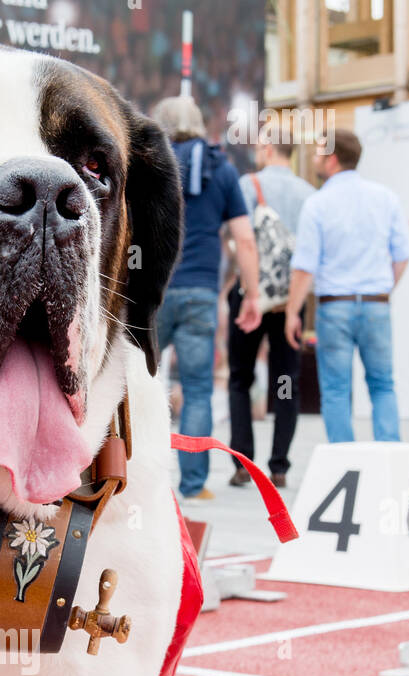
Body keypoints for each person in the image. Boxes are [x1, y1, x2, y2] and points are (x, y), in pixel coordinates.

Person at [153, 96, 261, 501]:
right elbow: (245, 241)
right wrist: (252, 294)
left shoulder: (150, 164)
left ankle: (127, 480)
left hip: (152, 293)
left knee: (133, 384)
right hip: (200, 292)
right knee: (198, 388)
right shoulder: (224, 170)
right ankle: (194, 485)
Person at [285, 129, 409, 443]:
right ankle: (390, 456)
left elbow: (305, 268)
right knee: (383, 384)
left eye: (317, 154)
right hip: (376, 304)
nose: (314, 159)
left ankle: (344, 463)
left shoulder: (318, 204)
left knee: (337, 390)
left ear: (332, 159)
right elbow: (403, 256)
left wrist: (291, 313)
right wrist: (382, 290)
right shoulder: (386, 198)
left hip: (334, 306)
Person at [227, 135, 314, 489]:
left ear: (267, 150)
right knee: (285, 382)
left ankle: (243, 463)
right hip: (290, 300)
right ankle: (279, 465)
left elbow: (239, 240)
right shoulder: (309, 193)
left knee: (240, 379)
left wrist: (248, 288)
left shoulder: (249, 185)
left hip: (252, 296)